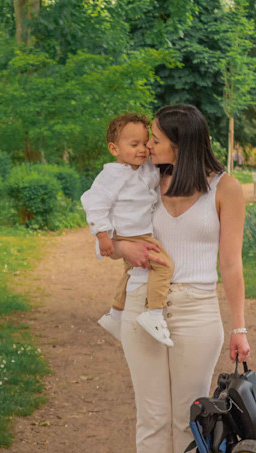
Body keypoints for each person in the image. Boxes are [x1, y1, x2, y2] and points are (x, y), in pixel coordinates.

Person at [112, 104, 250, 453]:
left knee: (191, 414)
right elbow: (109, 233)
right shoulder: (144, 182)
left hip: (196, 309)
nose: (147, 145)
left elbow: (231, 263)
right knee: (151, 413)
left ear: (181, 140)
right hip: (143, 305)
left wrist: (240, 327)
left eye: (155, 137)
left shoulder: (225, 189)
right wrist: (121, 248)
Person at [80, 113, 176, 347]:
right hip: (130, 233)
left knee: (129, 272)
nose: (142, 149)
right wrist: (102, 234)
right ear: (114, 148)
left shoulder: (143, 170)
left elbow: (159, 175)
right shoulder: (111, 175)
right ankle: (154, 314)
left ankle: (115, 315)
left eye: (145, 143)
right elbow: (95, 203)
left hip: (137, 231)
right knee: (164, 267)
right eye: (134, 145)